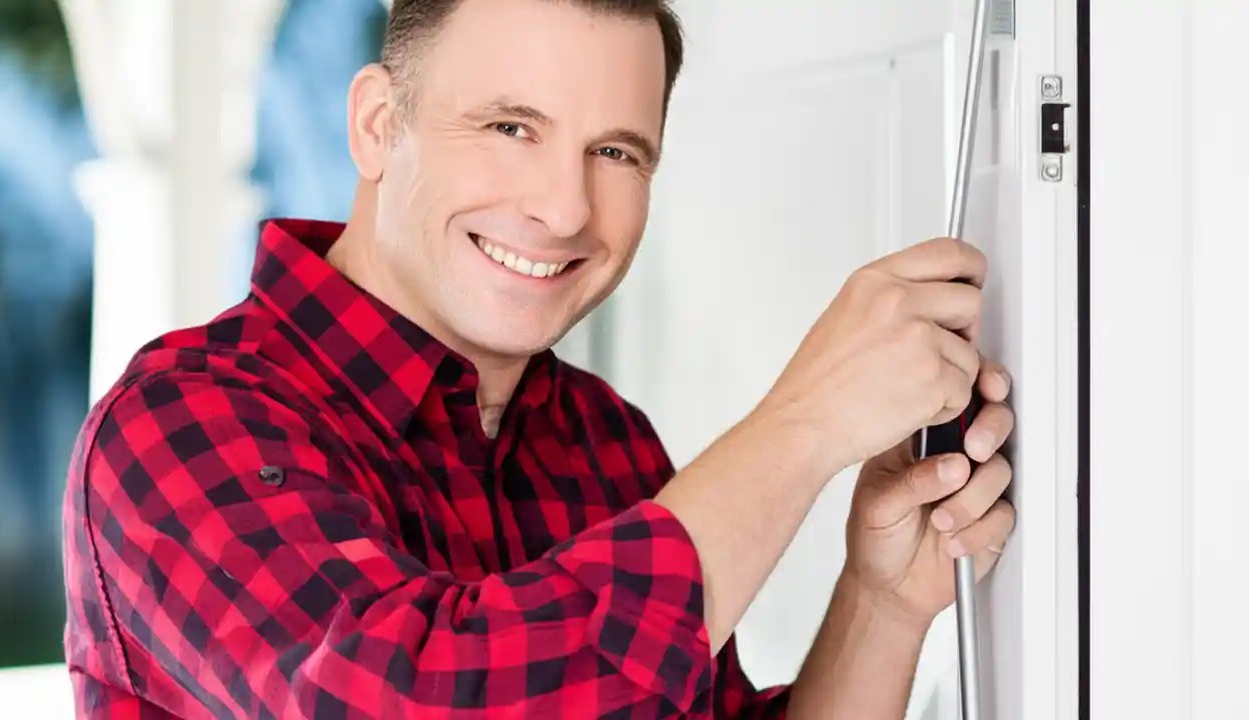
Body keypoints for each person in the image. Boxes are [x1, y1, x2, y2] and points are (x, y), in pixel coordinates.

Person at [61, 0, 1017, 717]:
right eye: (511, 127)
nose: (564, 209)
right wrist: (803, 427)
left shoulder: (607, 443)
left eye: (617, 153)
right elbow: (413, 703)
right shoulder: (179, 425)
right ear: (378, 126)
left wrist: (881, 605)